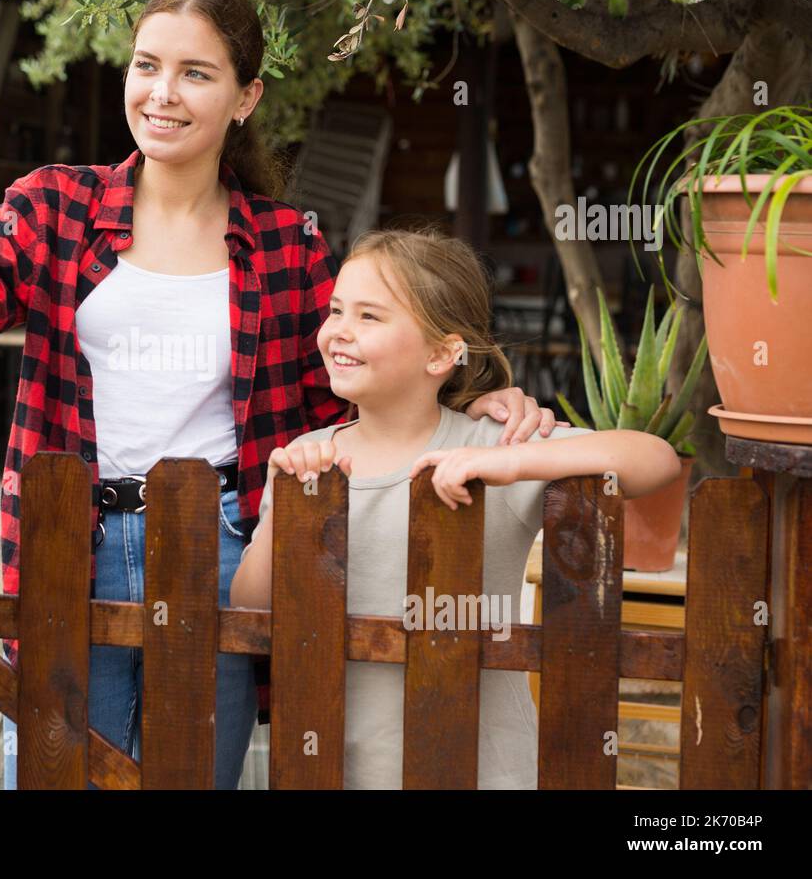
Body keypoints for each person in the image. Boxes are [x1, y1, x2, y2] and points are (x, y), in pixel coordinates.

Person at [0, 0, 562, 788]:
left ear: (246, 96)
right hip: (66, 538)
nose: (163, 93)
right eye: (147, 65)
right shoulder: (56, 207)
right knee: (55, 773)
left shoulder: (288, 245)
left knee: (195, 775)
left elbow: (353, 395)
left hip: (225, 545)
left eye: (196, 73)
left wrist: (471, 401)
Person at [231, 228, 682, 788]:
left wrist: (513, 464)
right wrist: (284, 509)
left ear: (443, 353)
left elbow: (655, 460)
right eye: (336, 310)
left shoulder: (491, 445)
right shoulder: (306, 457)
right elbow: (249, 611)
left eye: (370, 317)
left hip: (485, 768)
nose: (339, 332)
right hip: (335, 770)